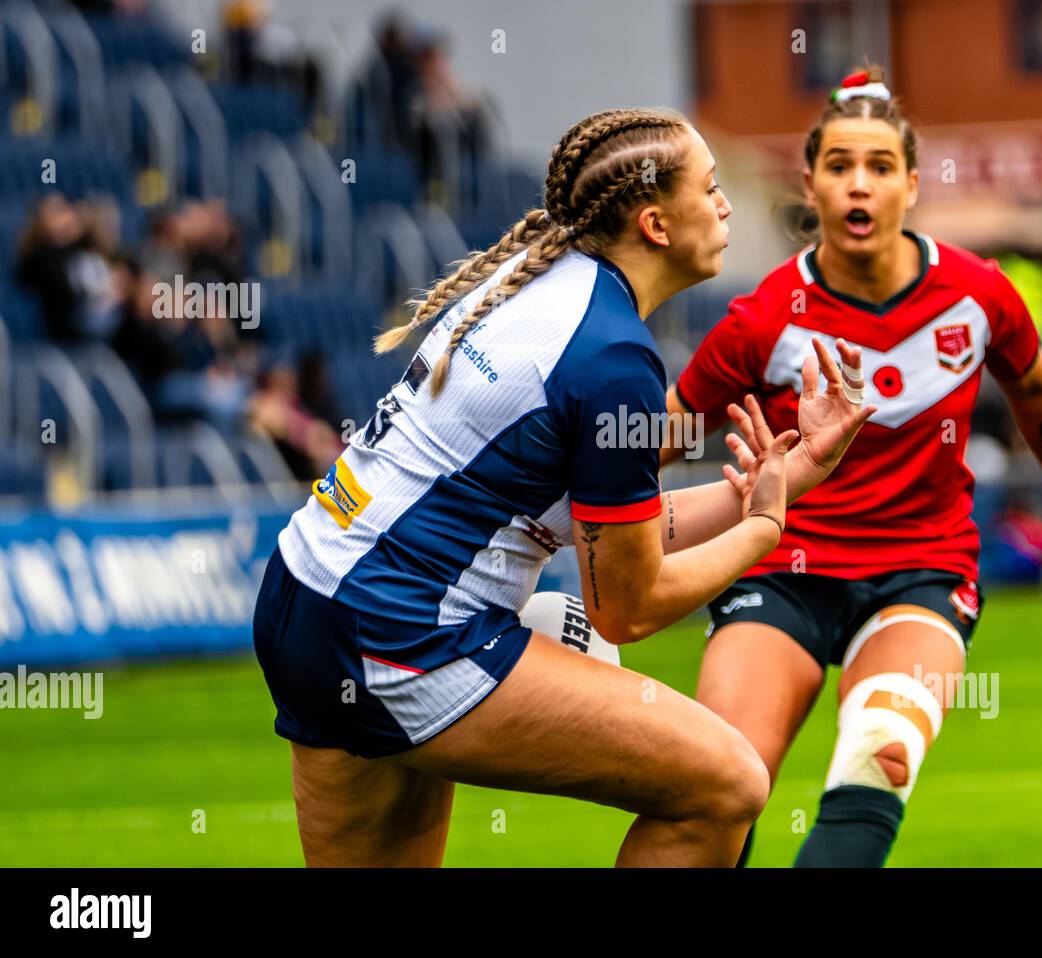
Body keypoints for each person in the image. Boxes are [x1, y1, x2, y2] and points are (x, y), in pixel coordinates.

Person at [253, 107, 875, 867]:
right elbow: (627, 606)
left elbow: (617, 531)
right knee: (727, 785)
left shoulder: (542, 284)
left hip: (306, 596)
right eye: (709, 188)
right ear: (655, 224)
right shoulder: (612, 354)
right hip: (400, 634)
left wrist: (789, 479)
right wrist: (764, 532)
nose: (726, 205)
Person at [661, 68, 1042, 867]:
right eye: (841, 165)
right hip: (783, 565)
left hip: (922, 571)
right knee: (721, 783)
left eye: (881, 167)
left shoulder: (979, 294)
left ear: (913, 184)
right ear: (811, 183)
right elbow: (663, 434)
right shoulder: (760, 318)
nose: (861, 185)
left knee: (877, 758)